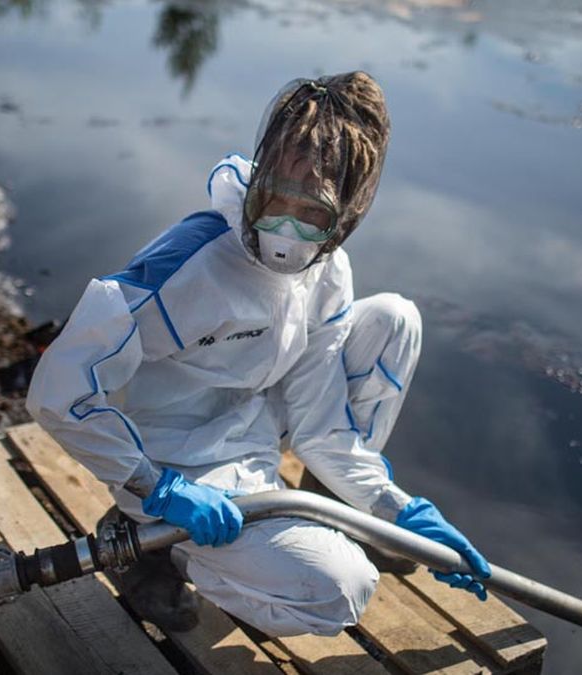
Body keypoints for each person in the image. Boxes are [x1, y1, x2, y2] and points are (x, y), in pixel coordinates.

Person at [27, 72, 489, 637]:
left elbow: (322, 427)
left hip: (256, 430)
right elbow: (60, 391)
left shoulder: (329, 272)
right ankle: (153, 548)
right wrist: (154, 485)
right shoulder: (191, 264)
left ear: (346, 215)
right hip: (177, 465)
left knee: (395, 318)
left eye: (312, 212)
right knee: (337, 593)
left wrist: (396, 509)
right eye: (274, 200)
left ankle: (341, 511)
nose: (283, 228)